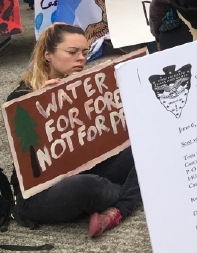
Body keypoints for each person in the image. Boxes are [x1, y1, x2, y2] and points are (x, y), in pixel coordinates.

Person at [7, 24, 141, 238]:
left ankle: (119, 208)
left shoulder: (81, 86)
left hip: (83, 168)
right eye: (73, 52)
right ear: (48, 55)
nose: (81, 58)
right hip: (41, 190)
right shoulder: (20, 97)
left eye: (85, 52)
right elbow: (30, 161)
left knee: (143, 146)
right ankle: (133, 188)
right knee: (88, 187)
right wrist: (39, 105)